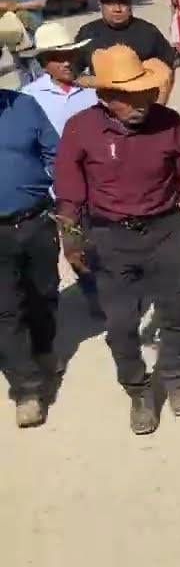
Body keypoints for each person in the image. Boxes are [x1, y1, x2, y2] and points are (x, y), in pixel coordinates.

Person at [53, 45, 180, 435]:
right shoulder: (81, 128)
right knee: (122, 322)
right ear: (105, 98)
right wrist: (71, 241)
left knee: (175, 311)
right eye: (128, 97)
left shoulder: (170, 123)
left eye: (144, 92)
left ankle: (176, 378)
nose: (140, 103)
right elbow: (70, 193)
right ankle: (138, 390)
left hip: (165, 231)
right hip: (108, 238)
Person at [19, 22, 103, 320]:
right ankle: (93, 293)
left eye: (70, 54)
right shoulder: (28, 98)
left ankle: (117, 292)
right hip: (61, 192)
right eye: (57, 56)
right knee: (74, 248)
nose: (66, 62)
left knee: (107, 241)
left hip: (101, 184)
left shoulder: (93, 91)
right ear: (43, 63)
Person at [0, 82, 60, 428]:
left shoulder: (25, 106)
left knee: (43, 294)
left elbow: (54, 152)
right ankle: (26, 390)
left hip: (36, 220)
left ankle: (43, 352)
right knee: (5, 311)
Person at [74, 0, 179, 104]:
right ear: (101, 6)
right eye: (110, 4)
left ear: (130, 7)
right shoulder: (87, 32)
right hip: (102, 102)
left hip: (141, 103)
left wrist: (159, 106)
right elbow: (74, 71)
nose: (117, 9)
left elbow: (168, 70)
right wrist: (91, 83)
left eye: (123, 3)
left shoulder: (148, 31)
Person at [0, 0, 48, 86]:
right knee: (22, 67)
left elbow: (41, 2)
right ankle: (28, 92)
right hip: (13, 33)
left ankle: (44, 89)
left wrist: (16, 5)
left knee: (38, 64)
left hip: (35, 30)